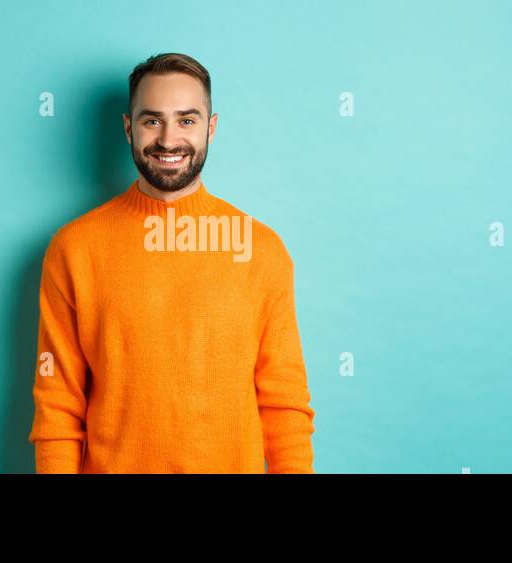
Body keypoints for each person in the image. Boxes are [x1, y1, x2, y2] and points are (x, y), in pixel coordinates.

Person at [28, 52, 315, 473]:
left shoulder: (261, 249)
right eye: (151, 120)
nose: (168, 140)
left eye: (186, 120)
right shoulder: (74, 248)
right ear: (128, 128)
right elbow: (58, 402)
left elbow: (284, 403)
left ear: (210, 128)